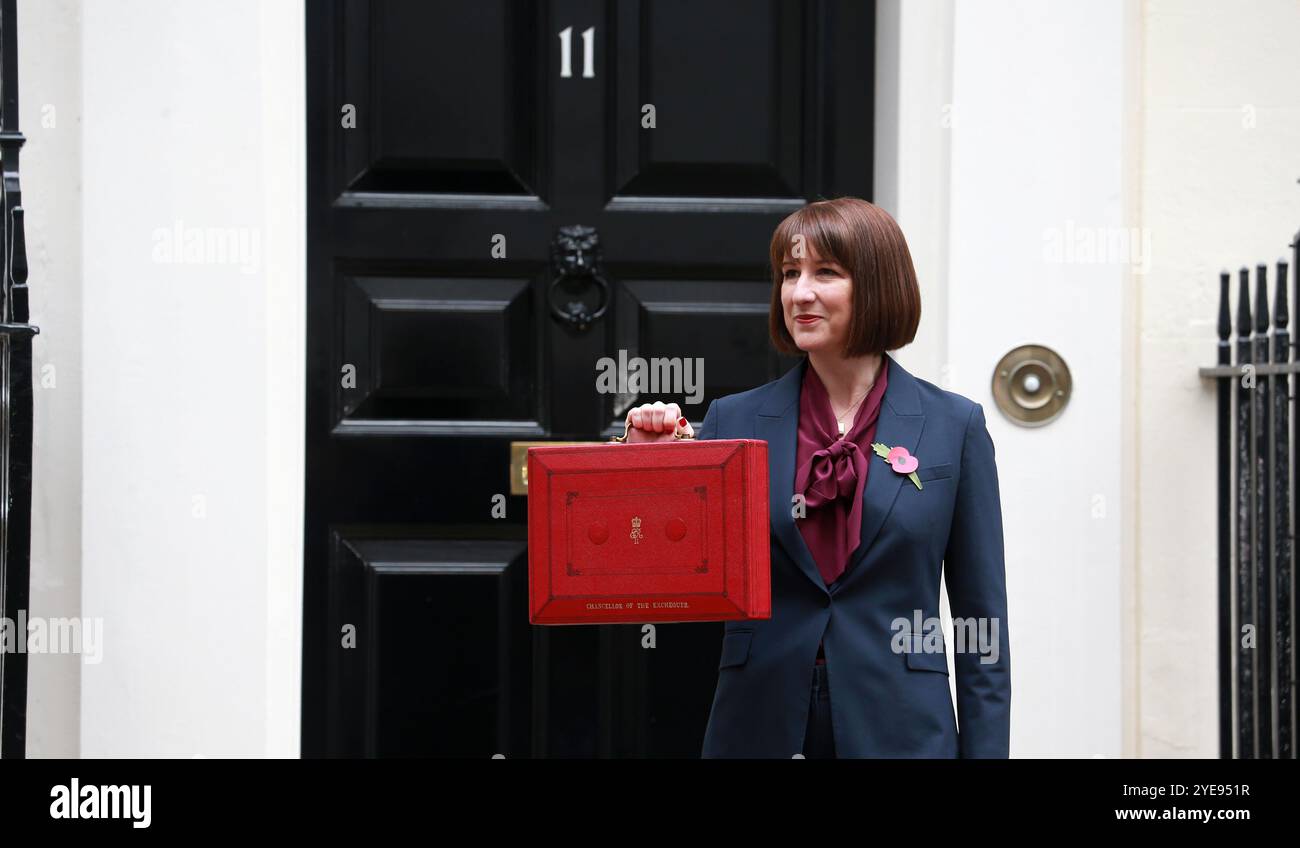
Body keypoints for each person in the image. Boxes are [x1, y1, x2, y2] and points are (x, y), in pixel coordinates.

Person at [621, 197, 1010, 758]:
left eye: (825, 272)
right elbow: (668, 578)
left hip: (903, 728)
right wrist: (647, 468)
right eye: (789, 273)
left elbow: (983, 627)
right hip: (758, 725)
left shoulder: (955, 426)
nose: (799, 293)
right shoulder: (734, 420)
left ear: (876, 285)